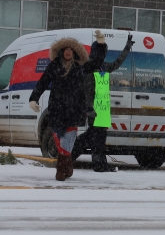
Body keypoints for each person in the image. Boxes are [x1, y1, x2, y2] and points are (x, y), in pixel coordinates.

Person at [29, 35, 116, 181]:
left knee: (67, 142)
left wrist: (100, 45)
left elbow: (97, 63)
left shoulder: (79, 67)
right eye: (65, 50)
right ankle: (67, 166)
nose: (68, 52)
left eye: (70, 50)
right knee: (59, 140)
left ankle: (61, 171)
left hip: (73, 110)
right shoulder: (54, 66)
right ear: (62, 51)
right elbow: (43, 82)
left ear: (74, 52)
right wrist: (33, 98)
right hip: (57, 110)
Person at [80, 30, 134, 172]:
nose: (103, 55)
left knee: (99, 138)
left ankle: (100, 163)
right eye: (101, 52)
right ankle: (95, 163)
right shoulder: (89, 68)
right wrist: (89, 108)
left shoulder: (103, 67)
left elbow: (117, 63)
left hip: (103, 109)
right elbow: (87, 90)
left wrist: (127, 48)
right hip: (94, 109)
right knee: (93, 137)